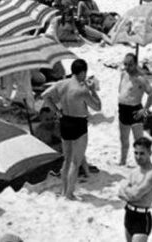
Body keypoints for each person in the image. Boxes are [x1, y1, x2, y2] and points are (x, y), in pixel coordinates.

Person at [41, 59, 102, 200]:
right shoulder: (82, 90)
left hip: (64, 120)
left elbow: (45, 96)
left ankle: (64, 190)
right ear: (83, 72)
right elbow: (98, 107)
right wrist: (93, 91)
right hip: (78, 123)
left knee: (66, 160)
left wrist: (56, 112)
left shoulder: (62, 84)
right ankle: (69, 193)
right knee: (76, 161)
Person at [117, 137, 152, 242]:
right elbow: (119, 193)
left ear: (150, 153)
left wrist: (126, 189)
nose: (138, 157)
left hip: (142, 218)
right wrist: (130, 192)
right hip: (129, 214)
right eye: (136, 153)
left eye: (142, 153)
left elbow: (135, 195)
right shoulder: (135, 172)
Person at [116, 54, 152, 166]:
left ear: (136, 64)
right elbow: (121, 90)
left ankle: (144, 163)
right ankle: (122, 161)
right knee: (123, 139)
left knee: (139, 141)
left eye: (130, 65)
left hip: (135, 110)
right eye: (125, 64)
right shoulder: (123, 74)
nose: (127, 67)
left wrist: (144, 110)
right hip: (123, 109)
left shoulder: (140, 78)